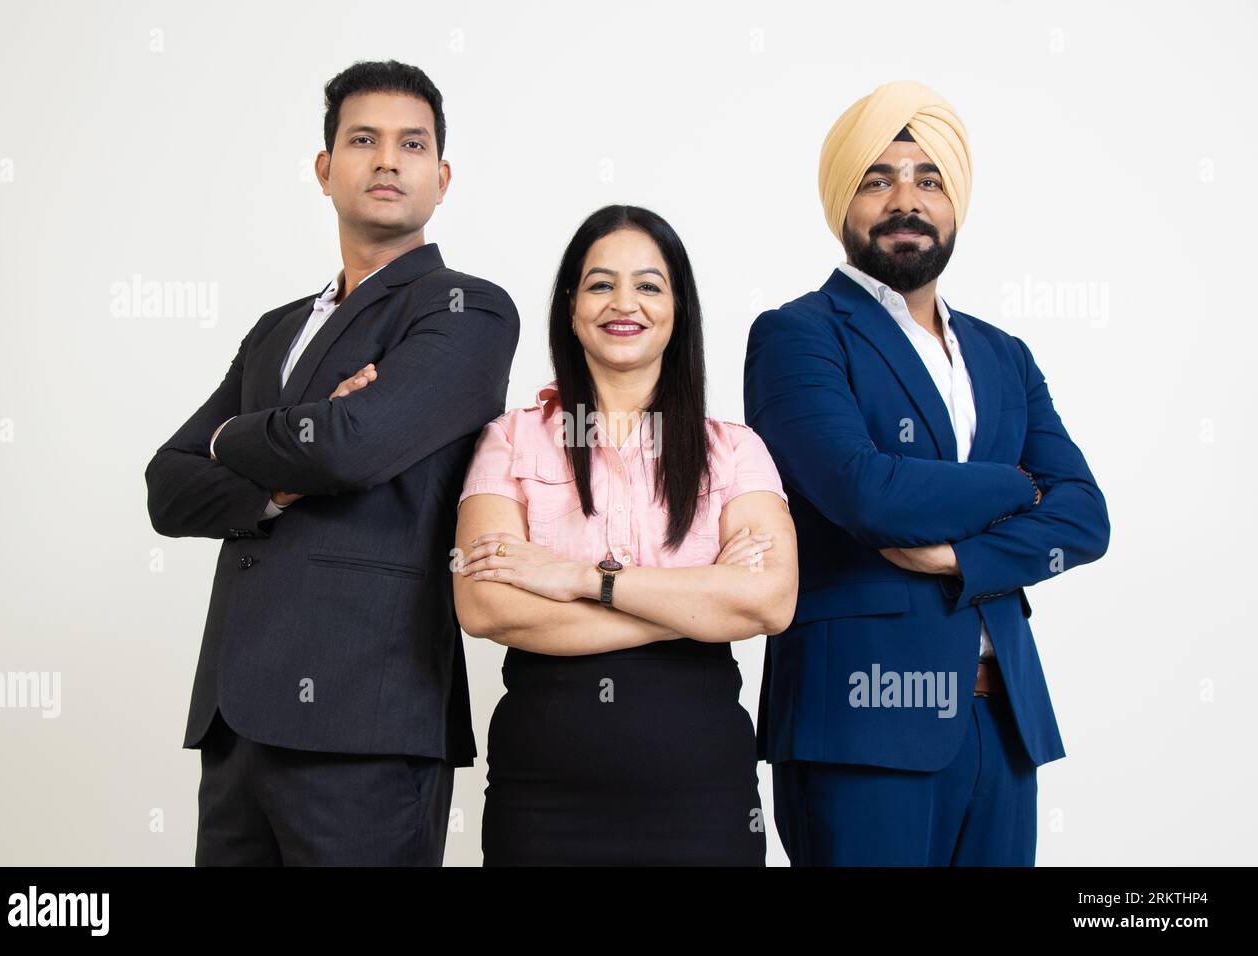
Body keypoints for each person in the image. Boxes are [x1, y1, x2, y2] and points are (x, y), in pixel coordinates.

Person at [144, 59, 520, 865]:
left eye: (411, 144)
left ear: (442, 176)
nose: (388, 160)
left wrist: (236, 437)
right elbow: (168, 487)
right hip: (234, 725)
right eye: (364, 140)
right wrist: (287, 456)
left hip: (366, 721)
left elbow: (358, 447)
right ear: (325, 169)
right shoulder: (275, 330)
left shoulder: (467, 308)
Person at [744, 80, 1110, 866]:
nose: (905, 199)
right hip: (861, 723)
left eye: (928, 179)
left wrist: (958, 557)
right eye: (878, 179)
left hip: (1001, 721)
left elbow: (1085, 517)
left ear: (955, 205)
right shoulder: (797, 335)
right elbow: (865, 493)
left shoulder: (1003, 355)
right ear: (844, 202)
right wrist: (1018, 487)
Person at [453, 204, 798, 865]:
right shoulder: (511, 439)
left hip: (704, 791)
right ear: (571, 305)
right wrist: (697, 607)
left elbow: (770, 602)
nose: (624, 302)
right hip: (545, 795)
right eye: (600, 282)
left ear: (678, 308)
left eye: (648, 284)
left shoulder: (735, 450)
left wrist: (582, 580)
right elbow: (484, 604)